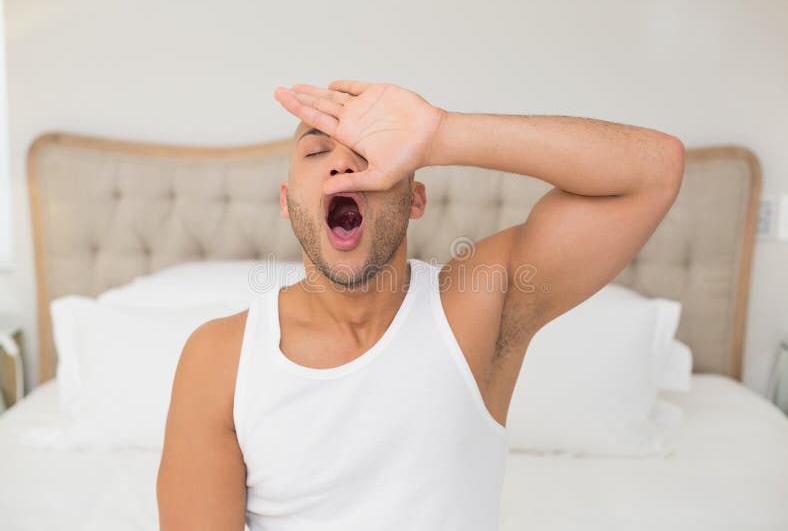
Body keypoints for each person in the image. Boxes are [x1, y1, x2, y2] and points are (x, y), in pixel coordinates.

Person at [156, 79, 685, 530]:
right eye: (317, 153)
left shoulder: (473, 310)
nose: (344, 167)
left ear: (415, 198)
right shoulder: (218, 358)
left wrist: (440, 133)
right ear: (287, 200)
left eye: (368, 154)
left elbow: (655, 170)